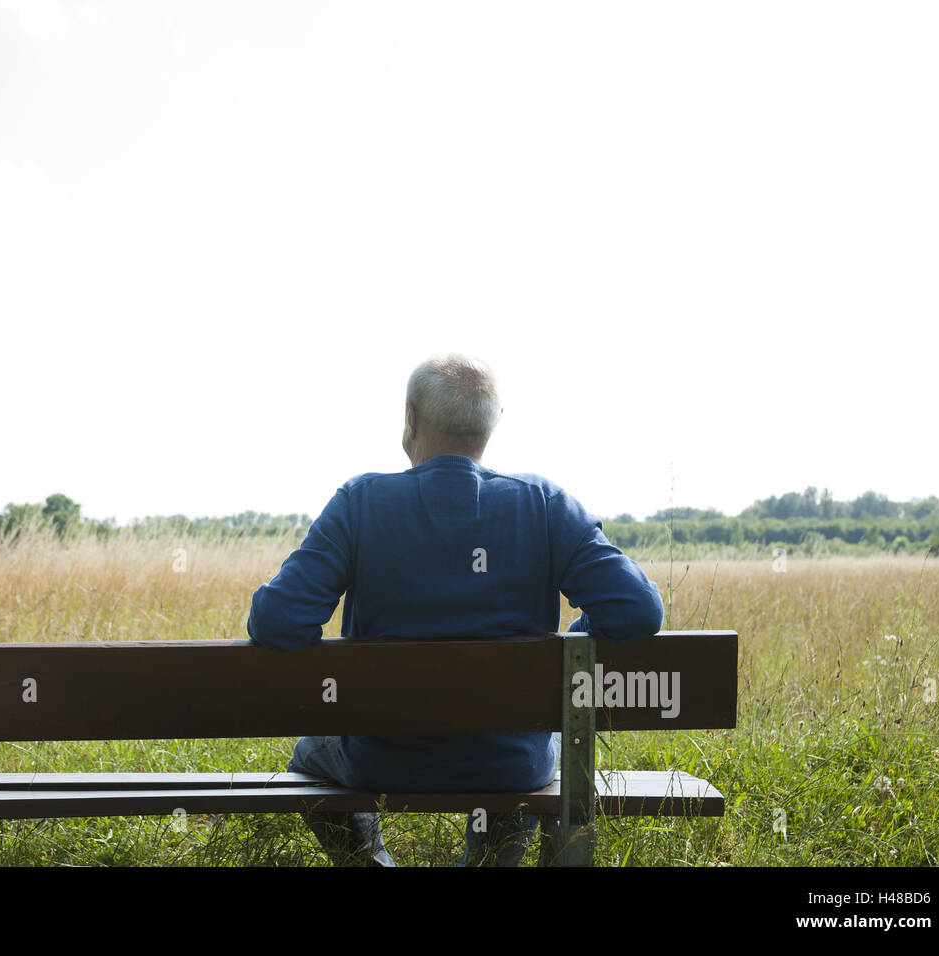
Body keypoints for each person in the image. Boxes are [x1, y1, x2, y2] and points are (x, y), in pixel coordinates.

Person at [245, 352, 664, 866]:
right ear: (491, 425)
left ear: (411, 418)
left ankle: (372, 862)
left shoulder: (360, 502)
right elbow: (638, 612)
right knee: (524, 752)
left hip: (379, 760)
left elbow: (279, 622)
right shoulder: (544, 504)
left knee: (308, 757)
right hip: (510, 765)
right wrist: (566, 645)